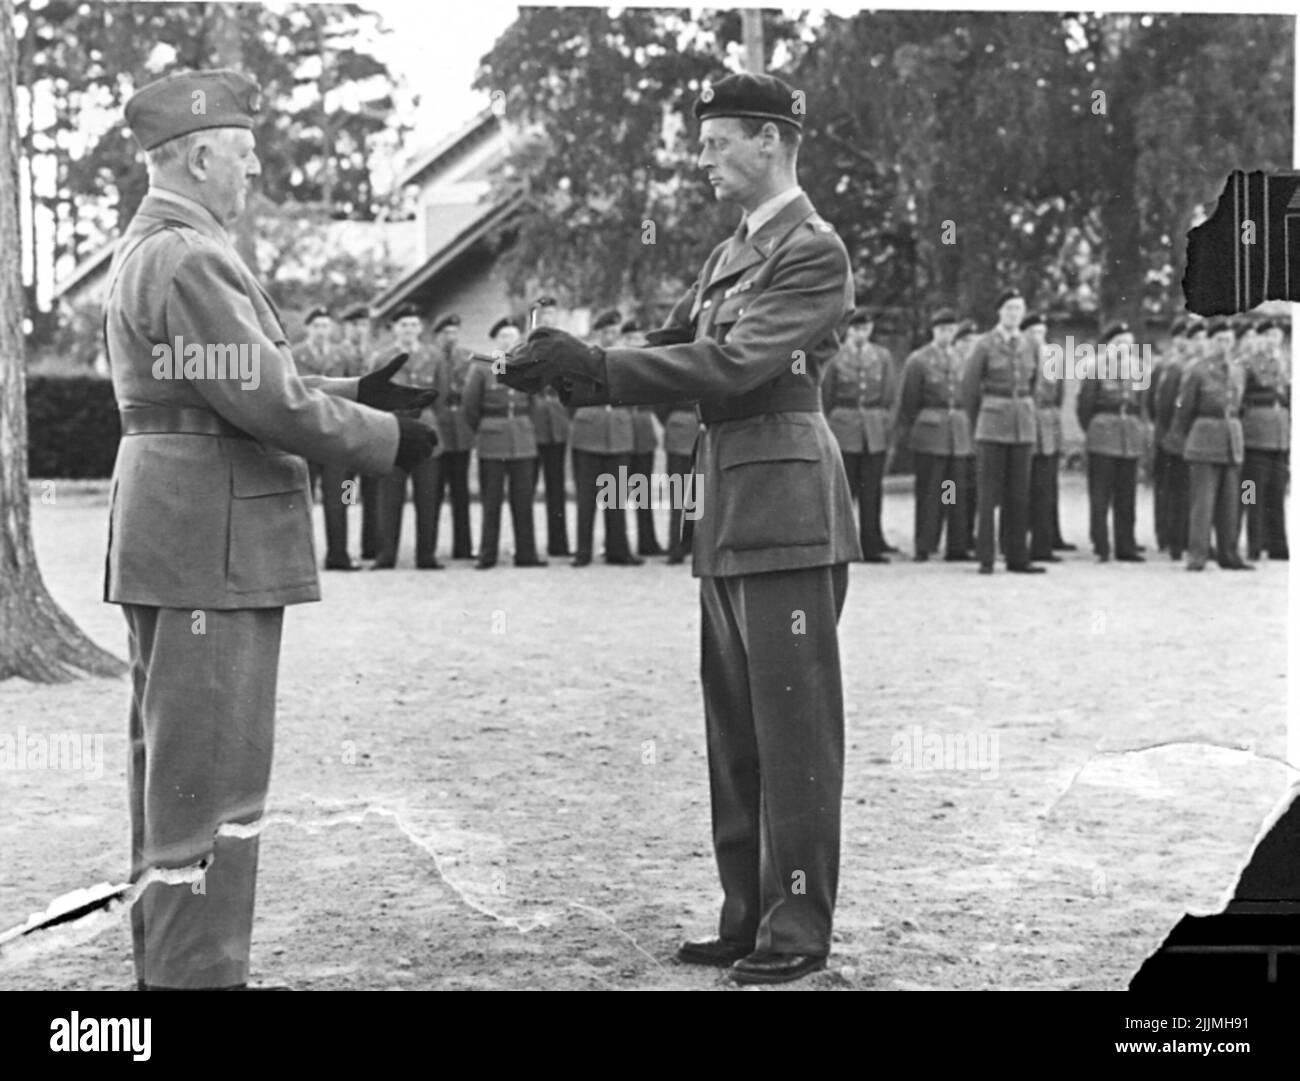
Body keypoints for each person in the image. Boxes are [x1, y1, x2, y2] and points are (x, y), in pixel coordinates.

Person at [502, 71, 860, 985]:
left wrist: (601, 365)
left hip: (785, 504)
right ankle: (746, 916)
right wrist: (563, 368)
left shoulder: (812, 251)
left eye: (715, 141)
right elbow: (669, 346)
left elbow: (736, 363)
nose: (700, 159)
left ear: (771, 141)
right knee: (736, 727)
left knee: (793, 730)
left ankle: (796, 931)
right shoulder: (729, 253)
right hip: (734, 502)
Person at [104, 69, 436, 990]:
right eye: (245, 158)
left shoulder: (155, 248)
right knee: (212, 778)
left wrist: (352, 395)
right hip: (216, 541)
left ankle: (168, 973)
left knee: (174, 771)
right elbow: (262, 400)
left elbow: (220, 385)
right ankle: (197, 980)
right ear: (203, 155)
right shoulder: (194, 257)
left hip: (176, 532)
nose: (253, 176)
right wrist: (386, 437)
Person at [961, 289, 1045, 574]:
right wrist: (982, 420)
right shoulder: (984, 344)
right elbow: (970, 389)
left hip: (1022, 421)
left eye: (1018, 309)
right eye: (1009, 308)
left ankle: (1017, 556)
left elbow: (1034, 384)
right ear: (999, 312)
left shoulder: (1030, 344)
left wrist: (1024, 409)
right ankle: (986, 556)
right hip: (992, 423)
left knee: (1019, 494)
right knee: (988, 494)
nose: (1014, 314)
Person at [463, 318, 545, 569]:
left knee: (523, 500)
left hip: (521, 438)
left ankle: (526, 554)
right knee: (492, 500)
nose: (509, 341)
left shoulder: (527, 367)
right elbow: (470, 407)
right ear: (496, 341)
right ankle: (487, 555)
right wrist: (486, 429)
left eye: (513, 336)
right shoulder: (482, 368)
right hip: (492, 438)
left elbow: (534, 404)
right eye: (504, 337)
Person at [1171, 317, 1251, 571]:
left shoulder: (1239, 370)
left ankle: (1229, 554)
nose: (1224, 345)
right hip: (1204, 437)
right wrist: (1181, 440)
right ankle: (1198, 555)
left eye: (1228, 340)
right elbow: (1184, 409)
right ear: (1210, 342)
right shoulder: (1197, 370)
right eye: (1219, 340)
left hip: (1231, 438)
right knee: (1202, 504)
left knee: (1231, 503)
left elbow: (1241, 404)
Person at [896, 307, 972, 561]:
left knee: (952, 490)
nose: (947, 334)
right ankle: (925, 543)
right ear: (933, 331)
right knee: (930, 491)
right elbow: (909, 401)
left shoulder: (963, 359)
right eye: (942, 330)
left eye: (951, 330)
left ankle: (956, 545)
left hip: (957, 434)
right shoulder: (919, 360)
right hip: (930, 433)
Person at [822, 308, 896, 562]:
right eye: (855, 329)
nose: (860, 334)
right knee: (845, 490)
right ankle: (840, 543)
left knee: (872, 491)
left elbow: (888, 395)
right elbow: (827, 396)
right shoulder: (835, 357)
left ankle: (871, 543)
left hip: (873, 429)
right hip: (844, 427)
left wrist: (884, 425)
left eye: (865, 329)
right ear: (847, 330)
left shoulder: (882, 356)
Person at [372, 304, 442, 569]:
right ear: (395, 329)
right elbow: (373, 396)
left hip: (425, 431)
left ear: (420, 328)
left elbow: (441, 394)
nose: (409, 330)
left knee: (427, 498)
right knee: (389, 498)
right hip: (394, 430)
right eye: (403, 325)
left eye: (413, 325)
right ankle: (386, 555)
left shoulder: (433, 356)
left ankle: (426, 555)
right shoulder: (381, 358)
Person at [568, 308, 640, 566]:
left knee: (616, 499)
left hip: (617, 433)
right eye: (606, 332)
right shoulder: (582, 359)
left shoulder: (626, 358)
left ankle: (618, 550)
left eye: (614, 332)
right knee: (587, 499)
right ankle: (583, 552)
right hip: (589, 433)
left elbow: (636, 394)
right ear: (598, 333)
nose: (611, 336)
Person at [1076, 322, 1146, 562]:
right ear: (1109, 345)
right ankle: (1101, 544)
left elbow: (1142, 405)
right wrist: (1095, 429)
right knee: (1100, 494)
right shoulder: (1094, 367)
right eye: (1120, 344)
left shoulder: (1138, 368)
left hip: (1129, 436)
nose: (1125, 348)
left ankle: (1126, 545)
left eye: (1129, 344)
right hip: (1103, 434)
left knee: (1127, 495)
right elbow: (1084, 406)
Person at [1239, 318, 1290, 561]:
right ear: (1259, 338)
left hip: (1279, 435)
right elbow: (1237, 399)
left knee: (1276, 492)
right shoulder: (1249, 363)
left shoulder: (1286, 363)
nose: (1273, 340)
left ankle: (1277, 545)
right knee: (1251, 492)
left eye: (1277, 335)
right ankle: (1254, 544)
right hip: (1255, 435)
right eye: (1268, 335)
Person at [430, 313, 476, 560]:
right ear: (438, 336)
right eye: (446, 333)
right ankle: (430, 547)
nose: (451, 337)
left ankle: (464, 547)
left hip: (460, 429)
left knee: (461, 492)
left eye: (454, 332)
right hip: (439, 427)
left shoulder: (467, 357)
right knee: (433, 492)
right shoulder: (432, 357)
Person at [1021, 312, 1066, 563]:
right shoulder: (1018, 357)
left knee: (1044, 491)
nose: (1039, 338)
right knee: (1018, 491)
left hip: (1047, 431)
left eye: (1042, 332)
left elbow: (1058, 396)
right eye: (1033, 333)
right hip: (1022, 427)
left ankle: (1043, 545)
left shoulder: (1052, 359)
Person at [530, 295, 573, 557]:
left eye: (551, 314)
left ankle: (559, 544)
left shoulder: (566, 347)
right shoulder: (523, 347)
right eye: (543, 314)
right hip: (532, 425)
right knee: (526, 488)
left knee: (556, 488)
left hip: (557, 423)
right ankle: (527, 546)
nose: (548, 318)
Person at [339, 306, 382, 560]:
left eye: (364, 325)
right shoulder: (339, 353)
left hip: (370, 429)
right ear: (347, 328)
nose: (359, 330)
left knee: (372, 490)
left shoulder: (373, 355)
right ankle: (342, 547)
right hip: (346, 430)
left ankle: (370, 546)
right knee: (345, 490)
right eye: (355, 325)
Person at [623, 318, 666, 556]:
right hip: (621, 429)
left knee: (643, 492)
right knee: (616, 491)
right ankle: (618, 541)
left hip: (643, 430)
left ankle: (647, 541)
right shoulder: (618, 361)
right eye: (630, 338)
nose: (634, 343)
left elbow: (660, 401)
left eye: (638, 339)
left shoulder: (648, 364)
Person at [1152, 319, 1194, 560]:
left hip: (1189, 437)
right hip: (1168, 436)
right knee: (1167, 488)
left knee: (1185, 489)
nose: (1188, 343)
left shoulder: (1194, 365)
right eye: (1184, 337)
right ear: (1175, 339)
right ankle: (1164, 535)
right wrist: (1166, 432)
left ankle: (1183, 534)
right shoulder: (1166, 365)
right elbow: (1157, 403)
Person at [657, 395, 702, 564]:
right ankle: (683, 547)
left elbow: (660, 405)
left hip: (682, 428)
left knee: (683, 495)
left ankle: (679, 547)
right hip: (697, 428)